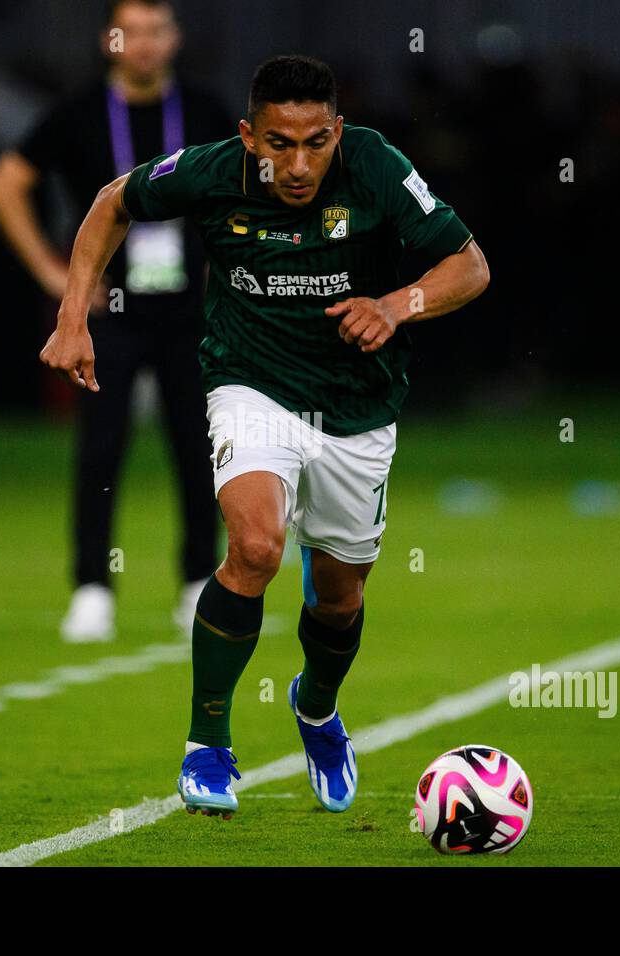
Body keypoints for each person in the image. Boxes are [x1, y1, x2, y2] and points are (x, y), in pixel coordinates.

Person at [39, 55, 489, 817]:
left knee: (340, 597)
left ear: (338, 131)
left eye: (316, 141)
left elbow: (469, 265)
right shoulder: (213, 171)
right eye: (280, 142)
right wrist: (73, 314)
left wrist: (398, 303)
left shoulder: (375, 164)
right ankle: (207, 744)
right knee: (255, 548)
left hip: (357, 407)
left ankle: (315, 708)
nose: (300, 162)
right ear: (250, 136)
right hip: (253, 386)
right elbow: (113, 201)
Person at [0, 0, 231, 643]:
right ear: (109, 40)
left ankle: (198, 583)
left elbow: (250, 187)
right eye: (133, 32)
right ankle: (93, 588)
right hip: (107, 312)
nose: (145, 44)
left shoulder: (205, 111)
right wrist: (51, 272)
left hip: (190, 310)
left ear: (175, 38)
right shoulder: (78, 112)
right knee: (100, 447)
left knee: (200, 445)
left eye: (158, 30)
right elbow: (4, 185)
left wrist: (228, 263)